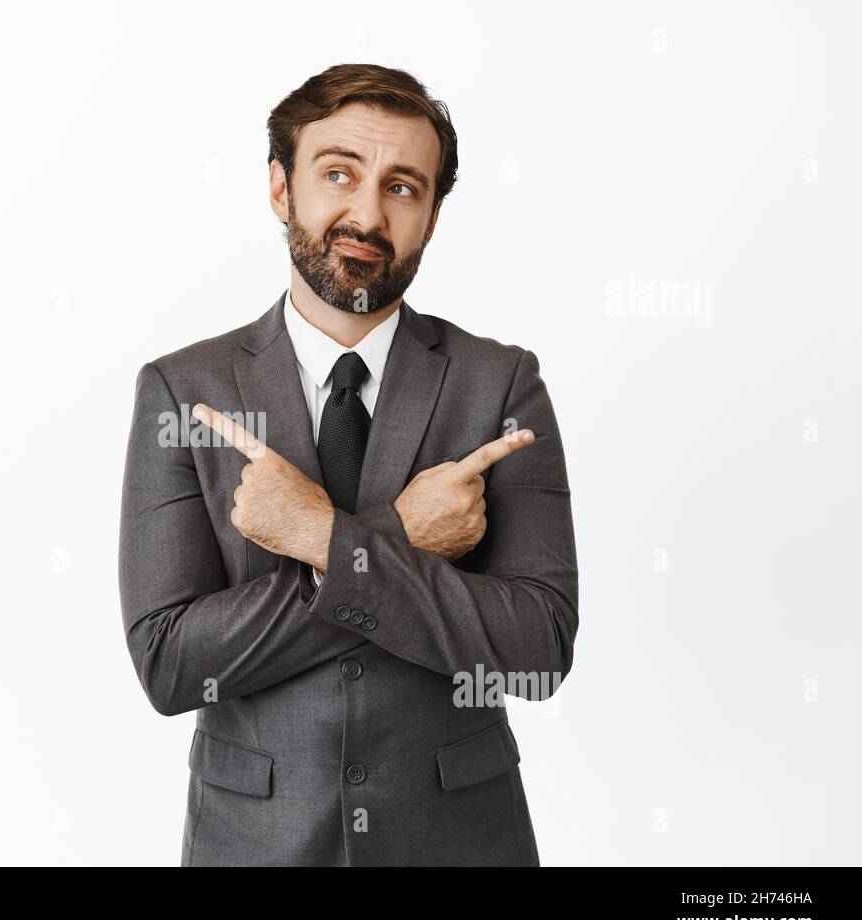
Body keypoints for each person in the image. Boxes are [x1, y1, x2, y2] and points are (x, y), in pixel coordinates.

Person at [118, 63, 578, 866]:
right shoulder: (182, 390)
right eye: (338, 174)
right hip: (252, 840)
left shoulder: (501, 382)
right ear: (279, 187)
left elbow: (539, 651)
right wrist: (397, 535)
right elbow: (169, 663)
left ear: (432, 217)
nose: (366, 214)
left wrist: (322, 539)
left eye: (403, 188)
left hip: (460, 841)